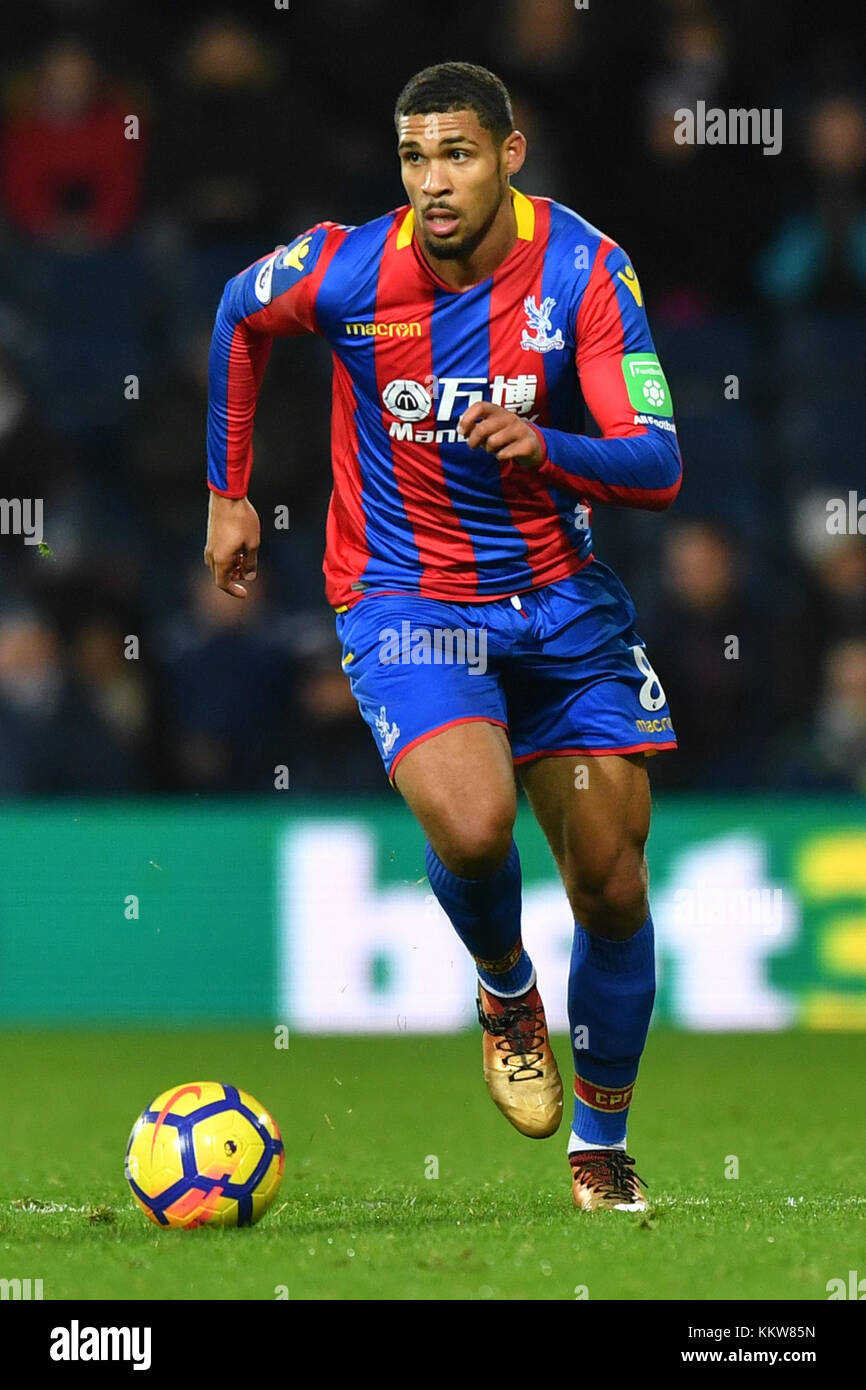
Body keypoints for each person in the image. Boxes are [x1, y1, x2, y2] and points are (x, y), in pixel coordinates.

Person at [204, 63, 682, 1212]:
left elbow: (656, 463)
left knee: (611, 885)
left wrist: (545, 444)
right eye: (414, 158)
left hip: (561, 604)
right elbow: (236, 311)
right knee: (472, 828)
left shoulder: (584, 269)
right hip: (403, 593)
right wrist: (228, 493)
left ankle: (599, 1143)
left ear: (509, 155)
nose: (431, 182)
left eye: (456, 155)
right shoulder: (346, 266)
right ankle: (506, 987)